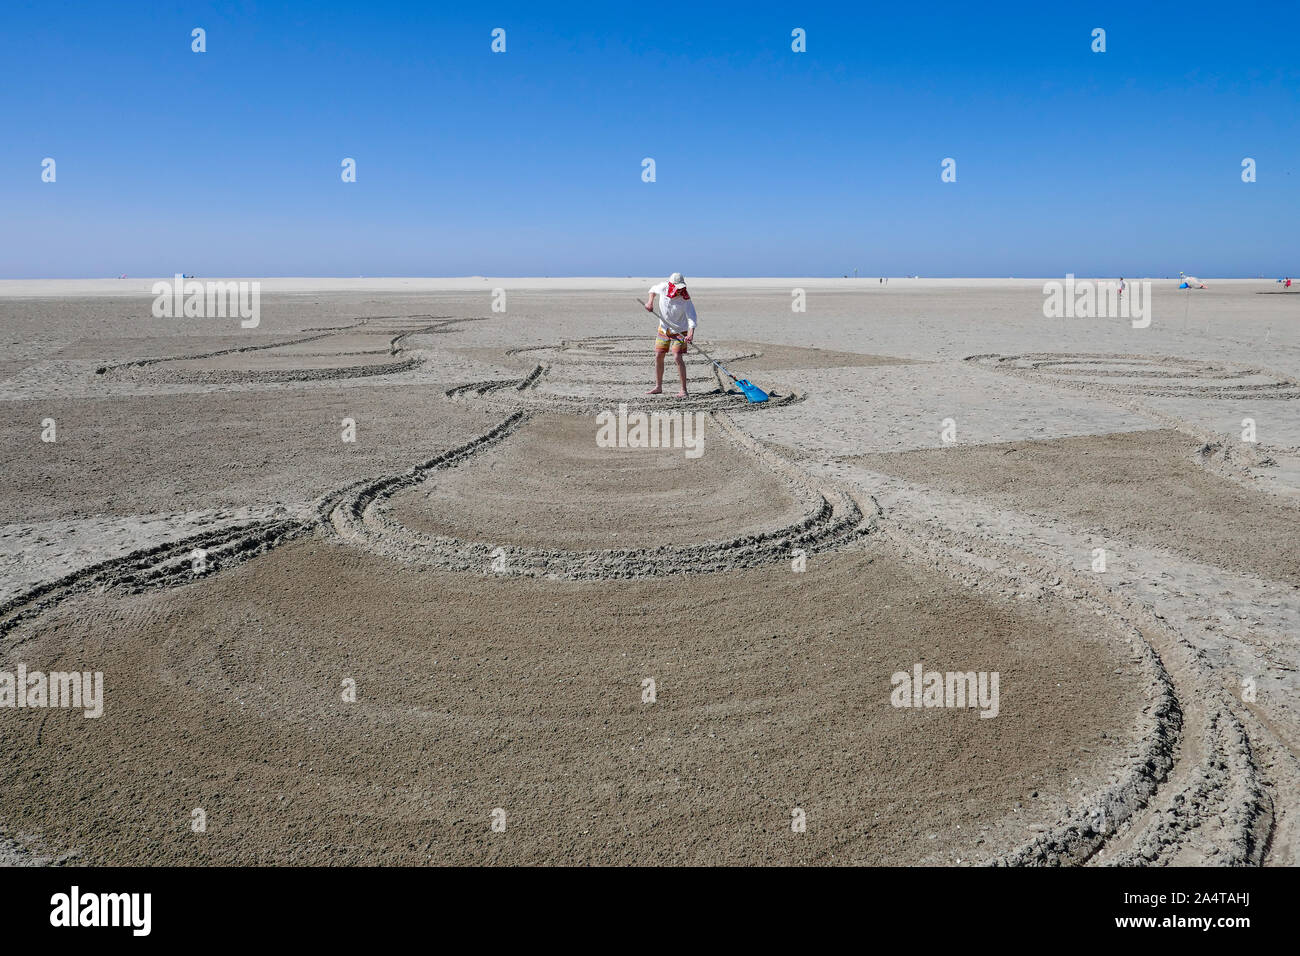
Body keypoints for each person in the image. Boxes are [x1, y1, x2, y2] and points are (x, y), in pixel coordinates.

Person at [642, 272, 697, 396]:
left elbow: (691, 316)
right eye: (677, 288)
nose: (680, 290)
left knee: (677, 356)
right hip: (664, 328)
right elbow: (652, 290)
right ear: (671, 285)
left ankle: (683, 390)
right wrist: (650, 302)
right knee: (658, 355)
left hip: (680, 331)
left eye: (681, 288)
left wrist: (690, 333)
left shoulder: (685, 297)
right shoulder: (663, 287)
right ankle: (658, 387)